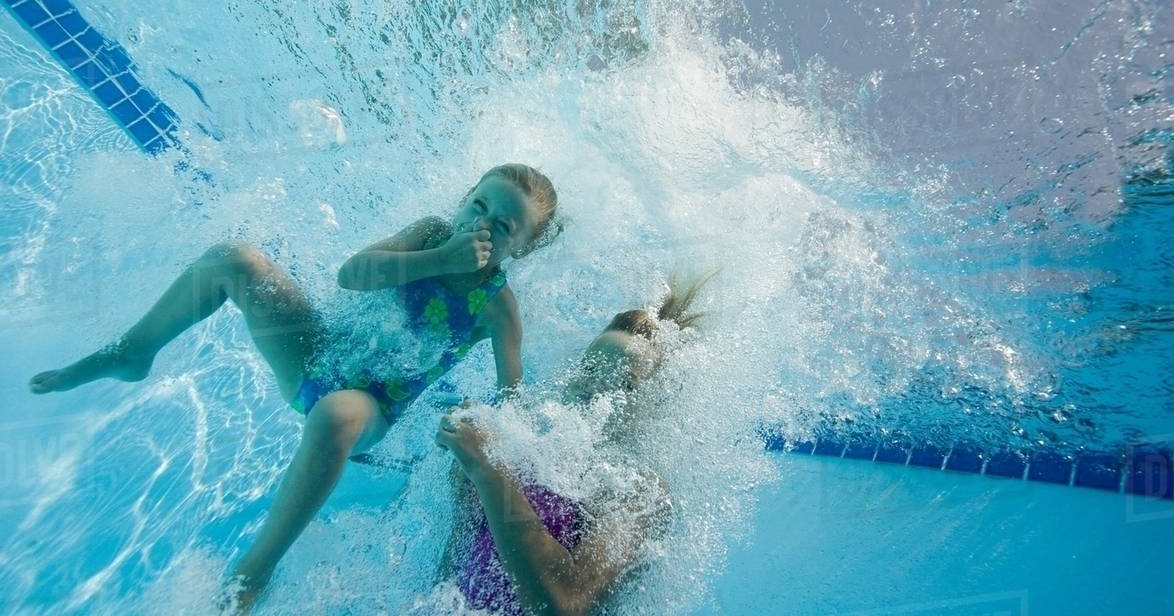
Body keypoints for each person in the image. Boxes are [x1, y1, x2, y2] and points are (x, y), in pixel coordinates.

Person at [28, 163, 561, 611]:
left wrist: (481, 432)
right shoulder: (427, 235)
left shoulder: (498, 308)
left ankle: (254, 571)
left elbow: (509, 394)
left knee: (333, 414)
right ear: (464, 199)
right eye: (478, 206)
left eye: (505, 226)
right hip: (316, 351)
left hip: (368, 407)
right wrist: (439, 260)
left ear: (522, 249)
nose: (482, 224)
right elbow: (350, 276)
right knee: (235, 259)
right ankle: (134, 350)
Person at [435, 275, 710, 616]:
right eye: (590, 367)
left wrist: (486, 469)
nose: (596, 385)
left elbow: (564, 603)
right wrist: (466, 469)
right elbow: (452, 575)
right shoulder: (524, 459)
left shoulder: (641, 495)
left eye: (624, 383)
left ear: (651, 409)